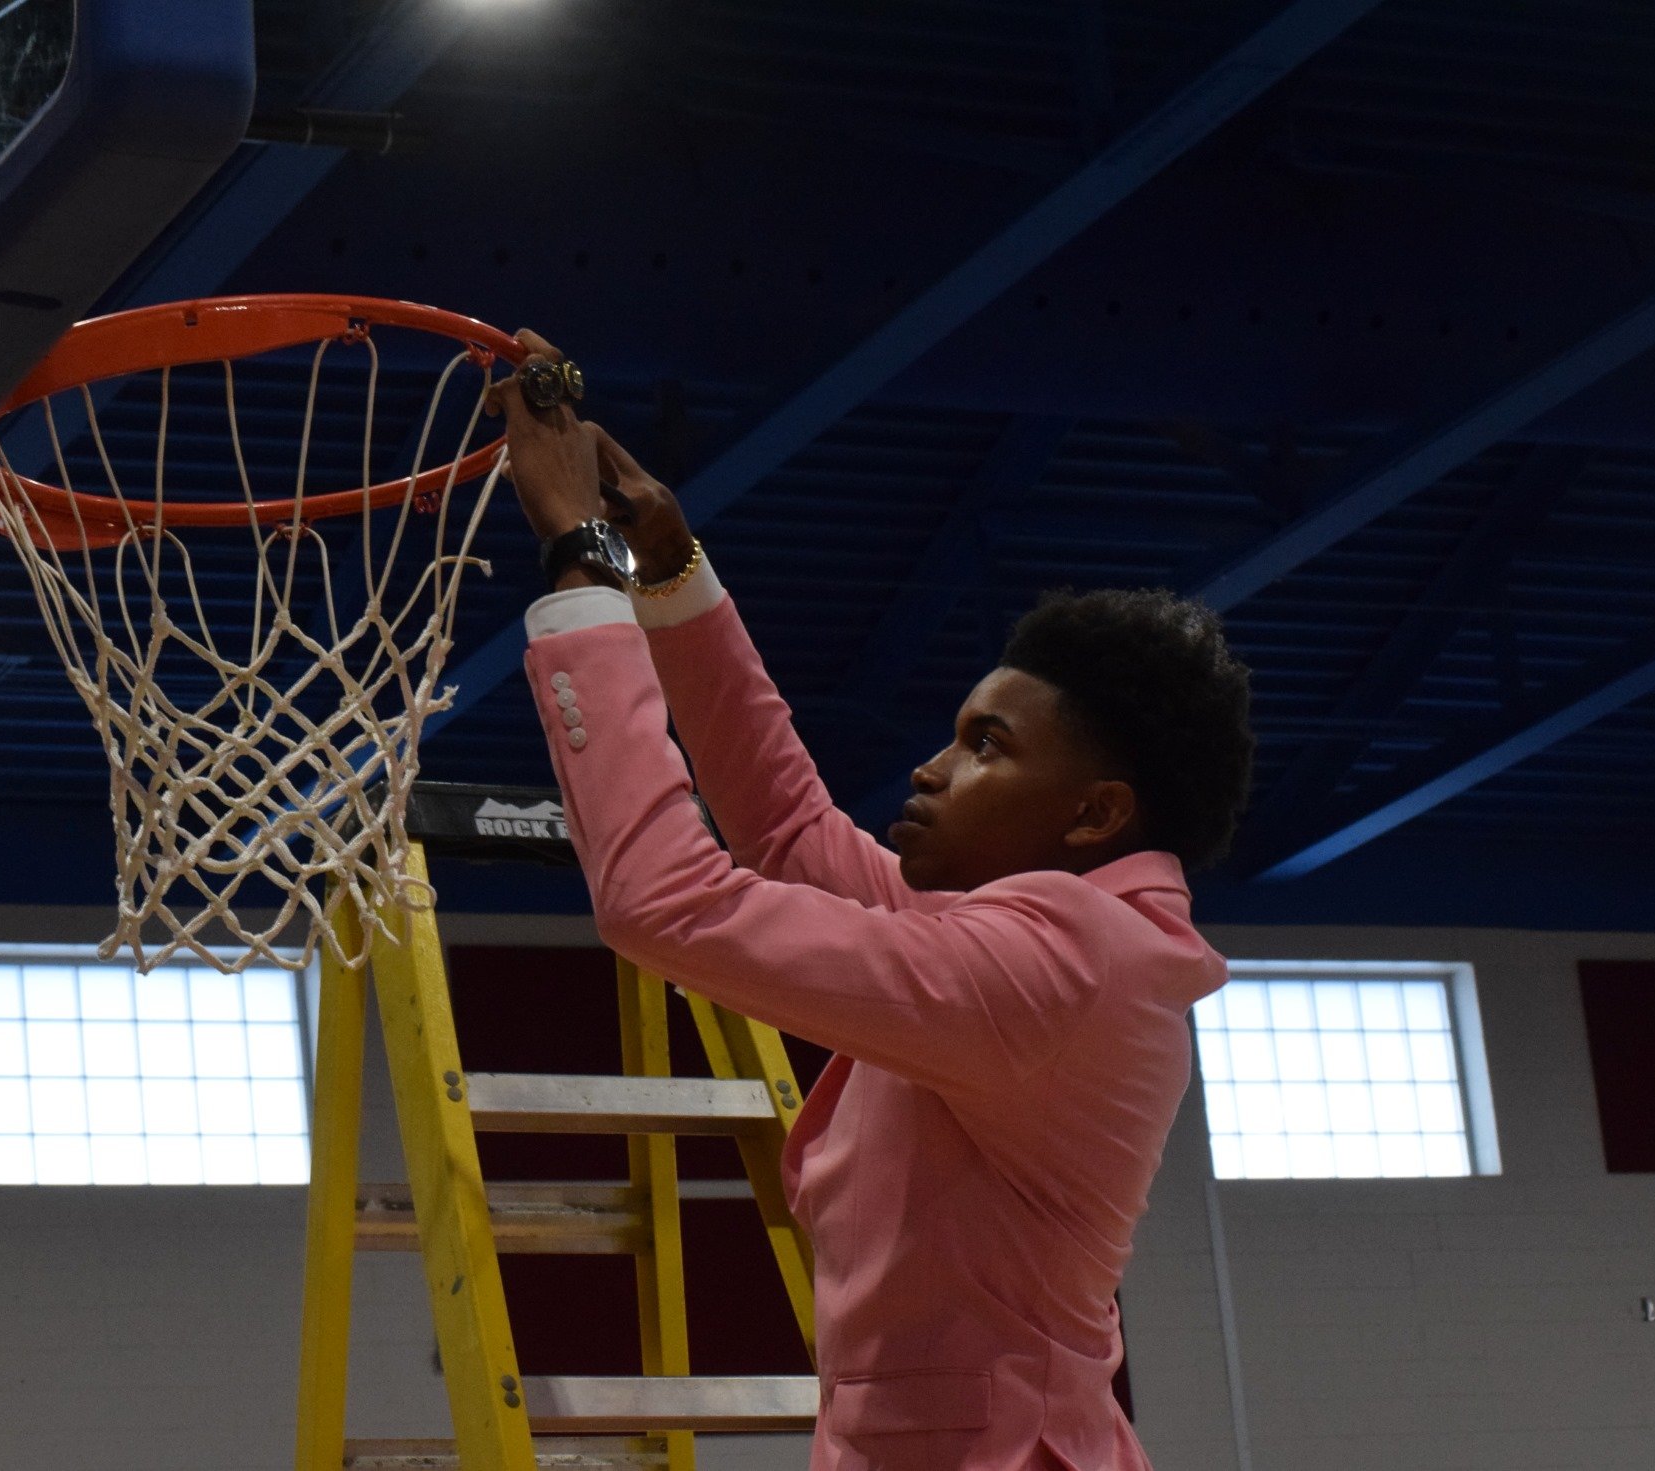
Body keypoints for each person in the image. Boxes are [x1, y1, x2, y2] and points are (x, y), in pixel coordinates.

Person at [486, 333, 1255, 1471]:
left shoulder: (1056, 960)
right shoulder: (1031, 940)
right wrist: (668, 571)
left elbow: (663, 900)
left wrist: (580, 566)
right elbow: (789, 832)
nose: (930, 769)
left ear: (1094, 815)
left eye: (984, 746)